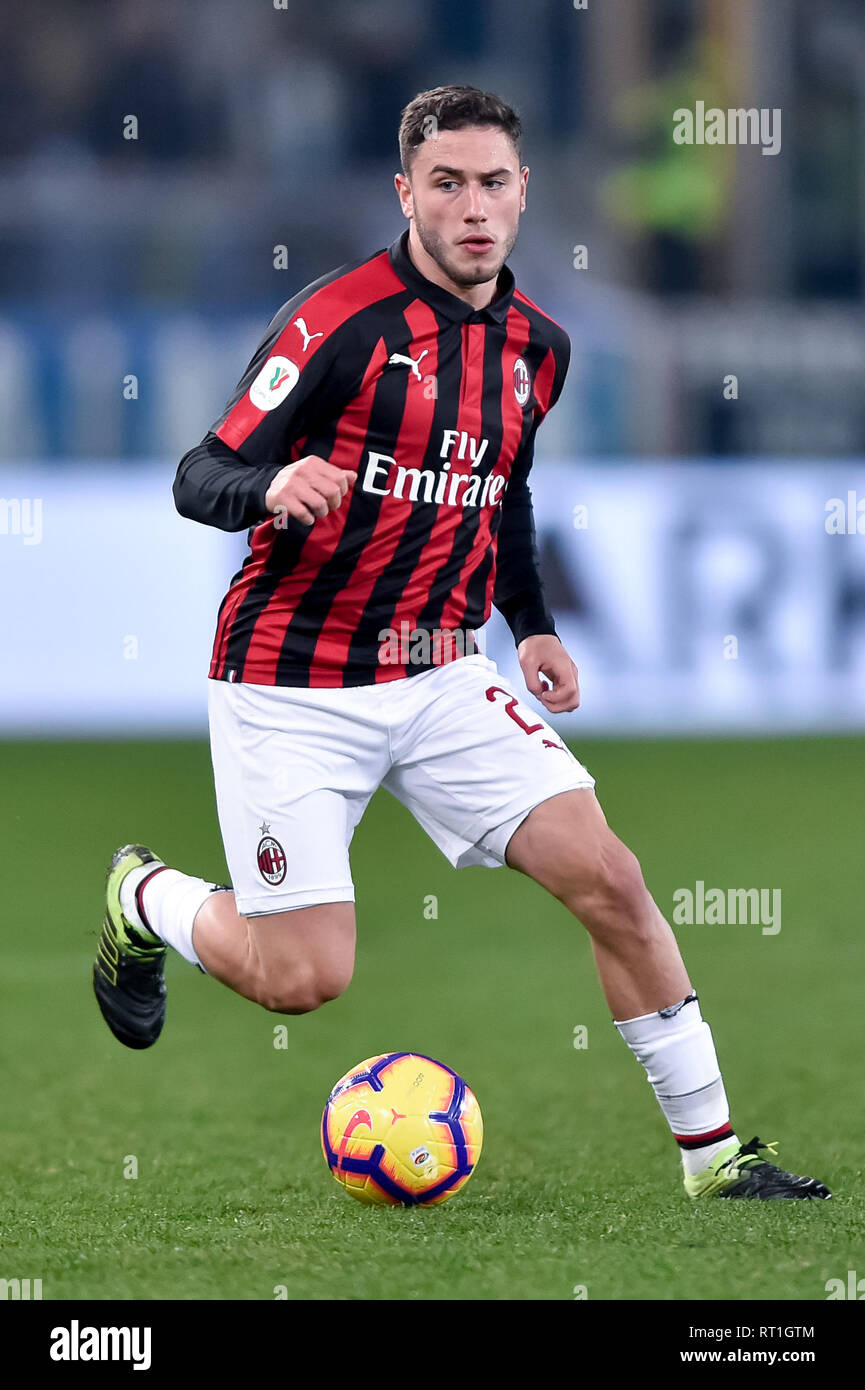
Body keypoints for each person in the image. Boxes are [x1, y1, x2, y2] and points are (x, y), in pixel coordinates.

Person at [93, 85, 829, 1201]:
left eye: (492, 183)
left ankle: (714, 1156)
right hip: (292, 678)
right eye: (447, 185)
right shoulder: (335, 321)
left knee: (613, 881)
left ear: (524, 193)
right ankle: (144, 897)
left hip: (441, 670)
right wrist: (267, 485)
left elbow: (505, 492)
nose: (472, 207)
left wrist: (531, 625)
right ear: (407, 194)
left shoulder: (540, 347)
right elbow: (199, 472)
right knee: (302, 979)